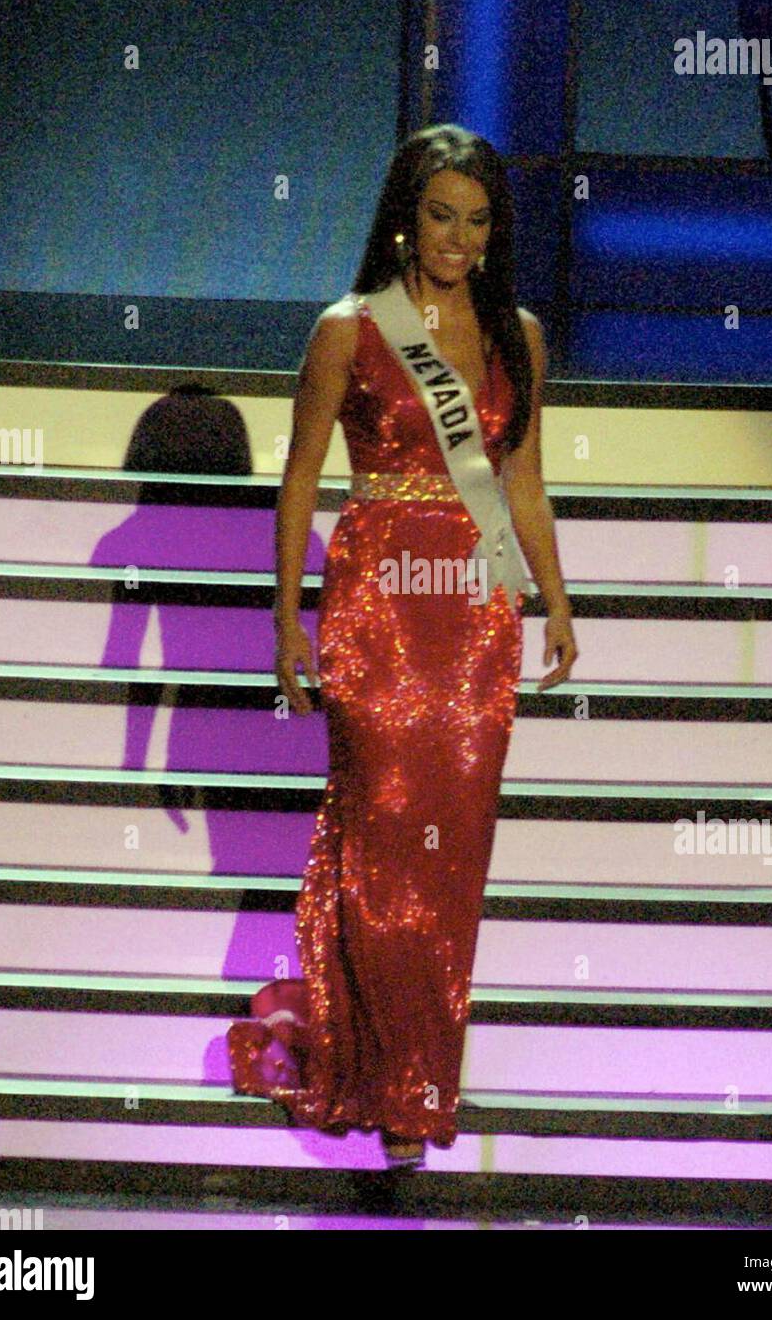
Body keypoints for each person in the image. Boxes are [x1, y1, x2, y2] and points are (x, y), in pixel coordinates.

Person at [255, 123, 577, 1169]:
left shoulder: (515, 333)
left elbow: (519, 481)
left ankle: (425, 1087)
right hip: (378, 600)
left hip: (476, 607)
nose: (457, 238)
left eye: (478, 221)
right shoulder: (350, 329)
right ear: (405, 214)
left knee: (452, 860)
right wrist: (285, 618)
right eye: (441, 214)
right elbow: (301, 475)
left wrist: (558, 603)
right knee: (387, 842)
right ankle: (382, 1075)